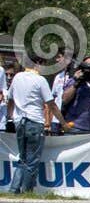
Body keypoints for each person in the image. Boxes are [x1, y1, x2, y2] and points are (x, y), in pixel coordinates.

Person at [5, 63, 59, 193]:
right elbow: (51, 104)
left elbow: (10, 99)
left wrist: (10, 116)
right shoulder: (40, 80)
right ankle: (27, 192)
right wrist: (62, 122)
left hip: (20, 122)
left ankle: (14, 190)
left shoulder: (17, 77)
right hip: (34, 122)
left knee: (22, 159)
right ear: (38, 65)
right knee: (32, 161)